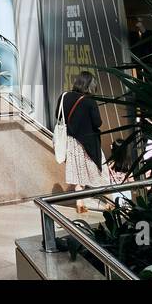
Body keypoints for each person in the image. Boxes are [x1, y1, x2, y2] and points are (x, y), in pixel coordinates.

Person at [58, 71, 105, 212]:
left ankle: (80, 203)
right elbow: (98, 122)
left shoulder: (64, 96)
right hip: (87, 143)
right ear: (90, 85)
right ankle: (108, 202)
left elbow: (58, 115)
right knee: (100, 171)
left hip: (71, 142)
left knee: (79, 175)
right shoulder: (89, 101)